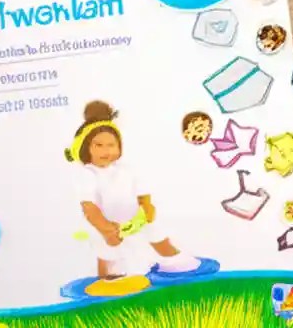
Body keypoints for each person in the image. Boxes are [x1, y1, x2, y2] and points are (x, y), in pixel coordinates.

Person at [65, 100, 200, 280]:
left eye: (111, 145)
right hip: (106, 223)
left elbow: (142, 191)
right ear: (84, 148)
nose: (106, 150)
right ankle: (108, 276)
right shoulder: (88, 174)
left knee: (155, 229)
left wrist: (147, 205)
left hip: (136, 218)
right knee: (108, 249)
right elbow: (89, 207)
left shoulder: (125, 170)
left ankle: (171, 258)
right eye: (99, 145)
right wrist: (105, 228)